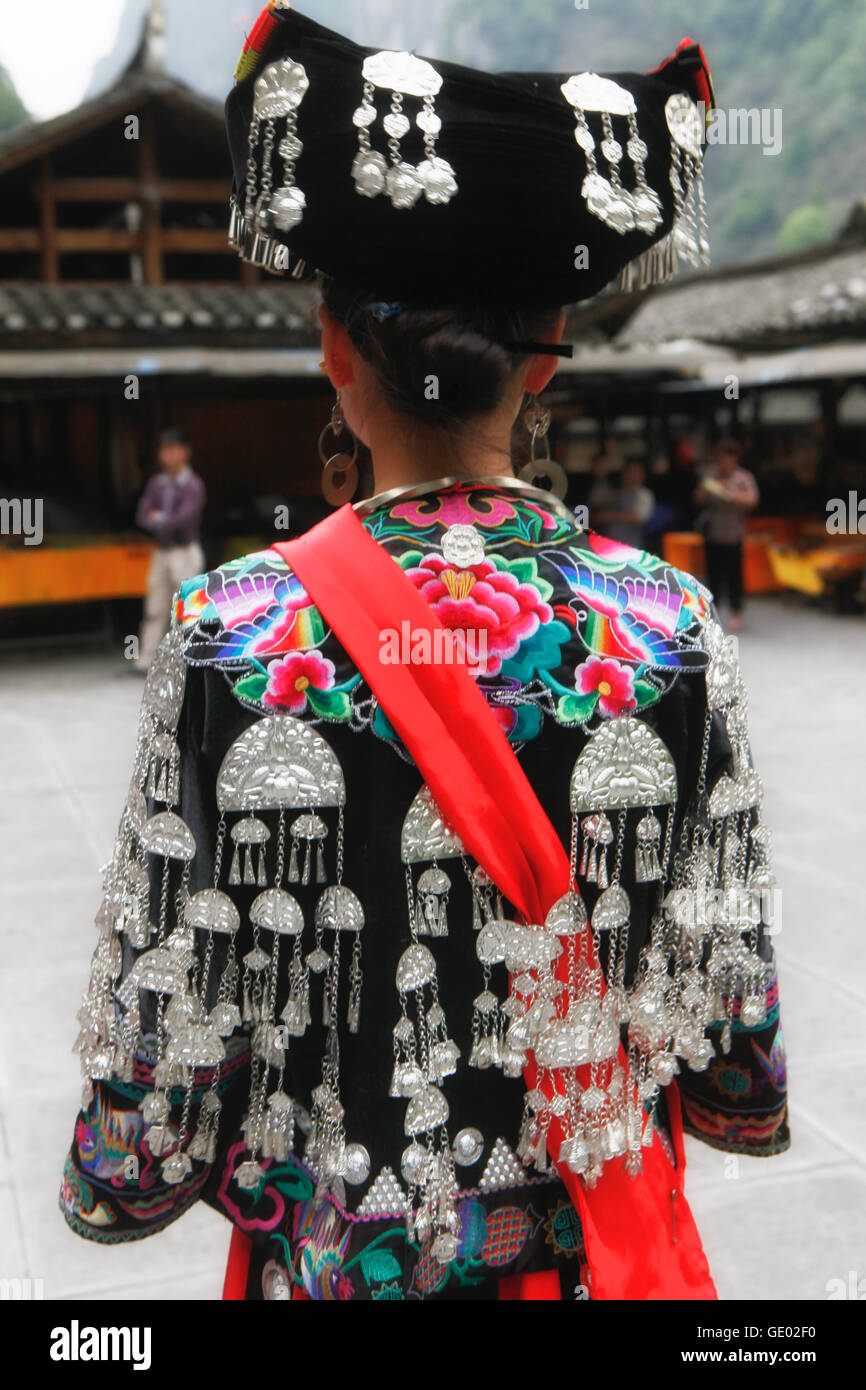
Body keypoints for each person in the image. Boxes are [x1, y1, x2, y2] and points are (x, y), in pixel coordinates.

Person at [62, 9, 787, 1302]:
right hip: (577, 1263)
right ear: (545, 358)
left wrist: (126, 1168)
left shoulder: (235, 636)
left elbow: (159, 1068)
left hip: (341, 1262)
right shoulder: (665, 627)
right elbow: (729, 1034)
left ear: (335, 351)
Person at [134, 427, 206, 671]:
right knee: (155, 607)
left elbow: (183, 520)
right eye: (164, 450)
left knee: (187, 609)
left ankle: (189, 661)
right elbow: (142, 516)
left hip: (184, 552)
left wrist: (159, 518)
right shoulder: (158, 484)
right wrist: (163, 519)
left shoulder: (193, 485)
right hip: (162, 551)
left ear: (185, 453)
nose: (167, 456)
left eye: (172, 450)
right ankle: (146, 660)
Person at [694, 440, 759, 631]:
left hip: (734, 535)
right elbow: (697, 498)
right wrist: (710, 490)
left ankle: (736, 612)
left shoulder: (743, 477)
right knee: (713, 576)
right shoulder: (711, 476)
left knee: (734, 577)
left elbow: (753, 500)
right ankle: (712, 614)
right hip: (714, 534)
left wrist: (730, 493)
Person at [590, 456, 655, 549]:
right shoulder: (616, 492)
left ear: (642, 475)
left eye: (635, 472)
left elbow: (639, 517)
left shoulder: (644, 494)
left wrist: (608, 516)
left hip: (631, 547)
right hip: (607, 546)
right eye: (628, 471)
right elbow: (595, 503)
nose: (630, 475)